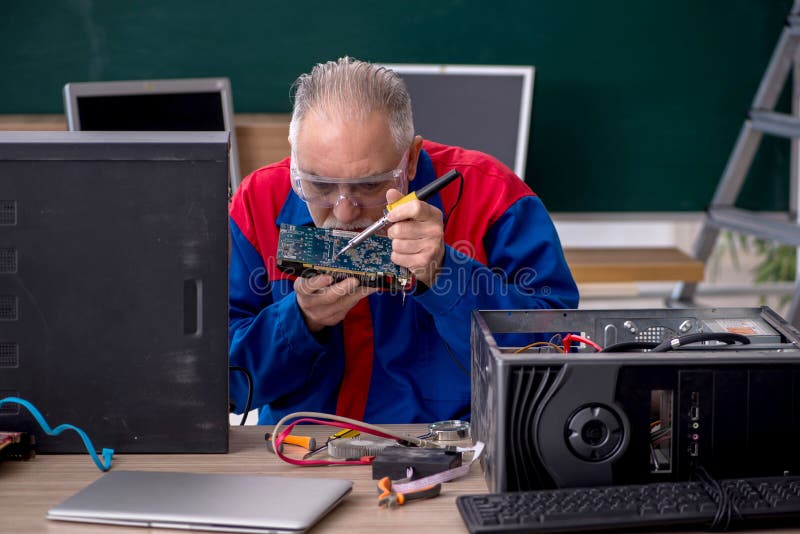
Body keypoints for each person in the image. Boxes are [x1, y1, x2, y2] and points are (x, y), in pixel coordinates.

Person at [229, 57, 578, 425]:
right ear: (295, 158)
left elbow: (556, 360)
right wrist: (300, 321)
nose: (345, 213)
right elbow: (223, 386)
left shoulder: (493, 198)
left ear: (410, 160)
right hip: (299, 452)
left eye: (370, 185)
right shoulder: (258, 204)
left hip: (449, 455)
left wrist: (446, 275)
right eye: (319, 185)